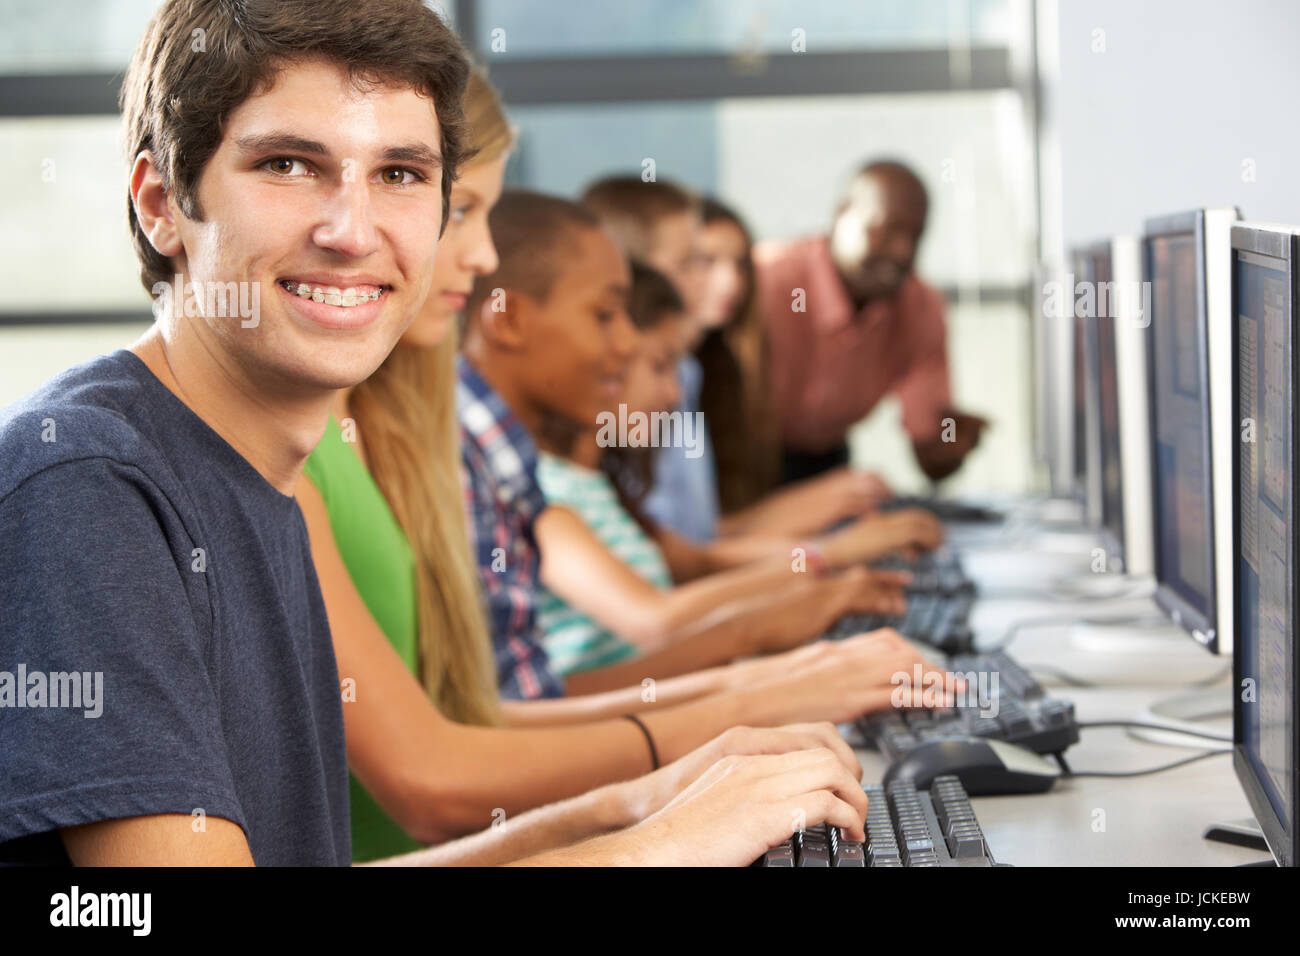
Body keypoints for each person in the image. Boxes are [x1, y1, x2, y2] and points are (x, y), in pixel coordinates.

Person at [0, 0, 876, 868]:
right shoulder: (90, 481)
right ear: (160, 204)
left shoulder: (259, 476)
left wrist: (638, 802)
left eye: (401, 175)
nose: (352, 233)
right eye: (288, 164)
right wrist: (653, 850)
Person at [297, 70, 953, 862]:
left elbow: (473, 721)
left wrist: (698, 759)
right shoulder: (298, 459)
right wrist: (708, 751)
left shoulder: (386, 437)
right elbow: (441, 778)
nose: (480, 259)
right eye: (459, 212)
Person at [536, 261, 938, 680]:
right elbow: (656, 621)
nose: (674, 393)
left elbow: (701, 561)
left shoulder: (601, 488)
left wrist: (823, 566)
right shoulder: (547, 498)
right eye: (660, 366)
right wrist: (812, 576)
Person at [581, 175, 919, 542]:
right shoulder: (622, 398)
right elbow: (685, 555)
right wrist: (824, 552)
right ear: (631, 276)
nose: (727, 283)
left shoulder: (690, 372)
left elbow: (695, 538)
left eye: (738, 264)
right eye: (696, 262)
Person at [755, 159, 988, 485]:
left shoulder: (920, 307)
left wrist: (952, 444)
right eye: (886, 230)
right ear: (841, 216)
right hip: (738, 461)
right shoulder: (767, 282)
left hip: (827, 464)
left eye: (915, 236)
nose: (903, 252)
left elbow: (931, 460)